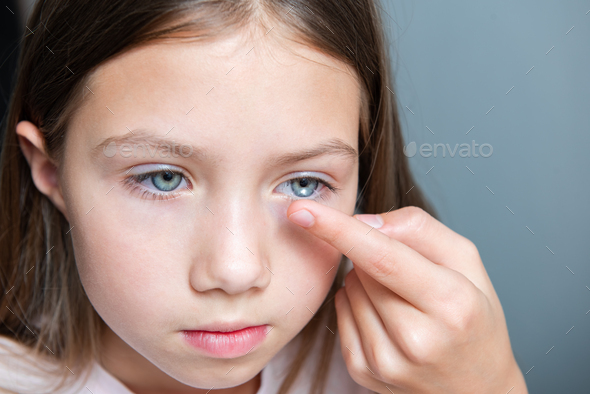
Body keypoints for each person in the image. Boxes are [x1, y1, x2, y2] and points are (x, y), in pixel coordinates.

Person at [0, 0, 528, 393]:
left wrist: (492, 384)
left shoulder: (417, 374)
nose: (235, 271)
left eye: (303, 183)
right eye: (162, 178)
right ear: (50, 170)